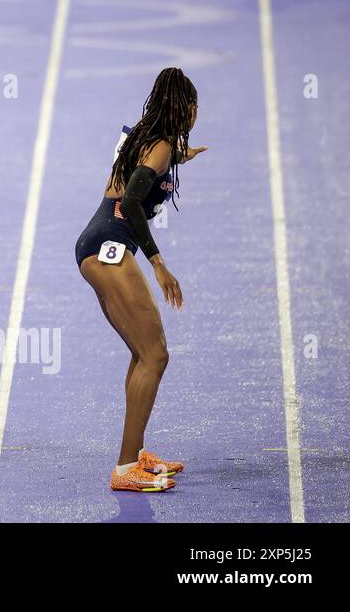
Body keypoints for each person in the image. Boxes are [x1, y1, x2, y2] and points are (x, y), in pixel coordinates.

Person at [74, 67, 205, 492]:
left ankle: (135, 453)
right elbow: (131, 200)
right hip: (110, 247)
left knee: (142, 351)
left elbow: (141, 170)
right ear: (185, 108)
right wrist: (158, 262)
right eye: (194, 107)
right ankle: (125, 467)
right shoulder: (161, 146)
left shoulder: (144, 136)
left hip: (97, 243)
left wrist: (181, 156)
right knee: (156, 355)